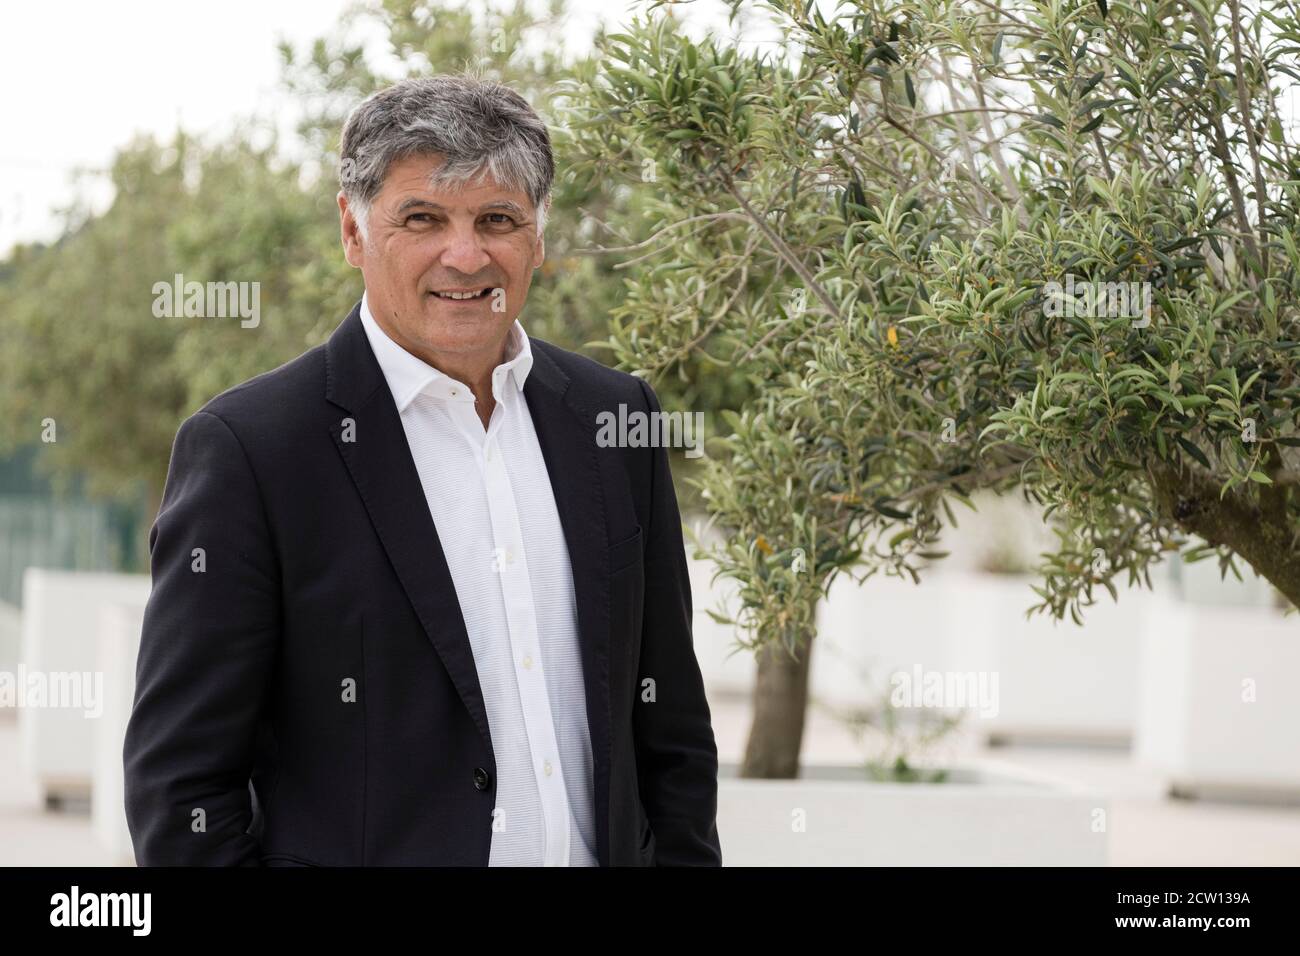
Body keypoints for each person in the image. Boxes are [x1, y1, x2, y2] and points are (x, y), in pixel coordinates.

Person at [122, 73, 722, 867]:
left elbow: (671, 733)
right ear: (353, 230)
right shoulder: (251, 451)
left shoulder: (616, 421)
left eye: (498, 219)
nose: (465, 254)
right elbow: (181, 787)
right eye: (423, 218)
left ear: (538, 238)